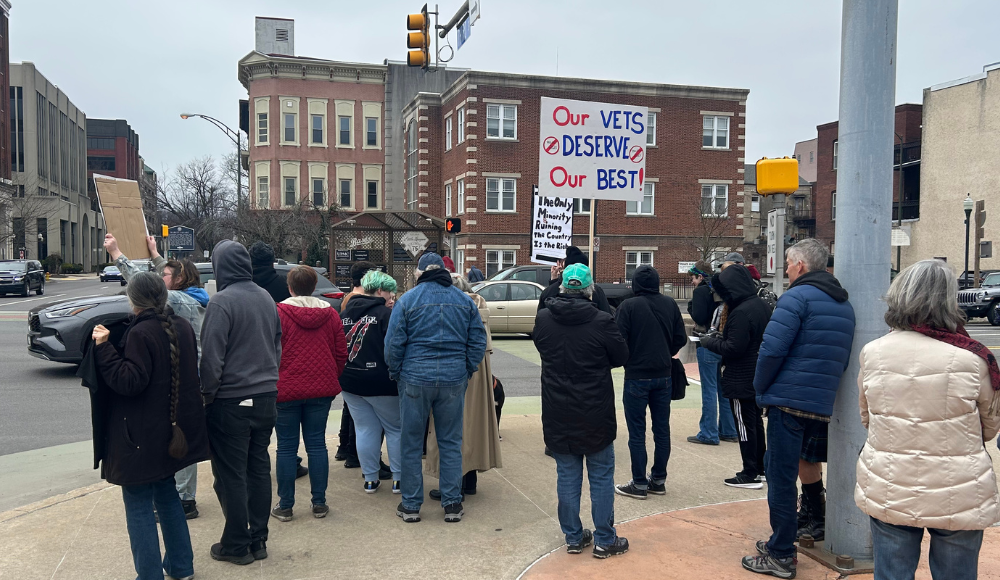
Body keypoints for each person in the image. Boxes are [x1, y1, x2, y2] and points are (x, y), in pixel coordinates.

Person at [856, 259, 1000, 580]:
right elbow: (988, 428)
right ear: (948, 301)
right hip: (959, 489)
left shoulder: (873, 352)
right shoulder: (974, 359)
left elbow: (868, 418)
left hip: (890, 482)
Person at [741, 239, 855, 578]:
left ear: (801, 266)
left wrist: (760, 388)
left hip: (786, 399)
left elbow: (772, 350)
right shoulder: (844, 305)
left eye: (789, 264)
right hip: (819, 400)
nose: (786, 270)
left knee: (779, 474)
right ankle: (795, 533)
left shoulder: (795, 298)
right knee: (802, 466)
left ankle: (781, 553)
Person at [91, 272, 210, 580]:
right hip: (171, 432)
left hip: (139, 437)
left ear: (134, 300)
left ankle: (149, 574)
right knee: (167, 493)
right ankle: (181, 566)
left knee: (139, 502)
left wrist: (104, 347)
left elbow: (129, 381)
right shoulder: (180, 326)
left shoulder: (140, 334)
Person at [104, 233, 208, 519]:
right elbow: (164, 281)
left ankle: (184, 498)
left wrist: (116, 254)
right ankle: (184, 496)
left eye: (165, 274)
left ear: (178, 280)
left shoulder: (179, 301)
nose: (161, 277)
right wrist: (155, 254)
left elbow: (142, 284)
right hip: (193, 376)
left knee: (177, 436)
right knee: (181, 433)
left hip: (181, 376)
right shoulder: (196, 297)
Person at [534, 264, 630, 559]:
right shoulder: (602, 320)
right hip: (594, 409)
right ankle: (604, 538)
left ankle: (573, 536)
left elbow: (542, 347)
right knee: (600, 475)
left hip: (556, 407)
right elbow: (621, 355)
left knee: (567, 474)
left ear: (563, 286)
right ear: (590, 290)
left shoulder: (544, 319)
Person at [386, 252, 487, 524]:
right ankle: (452, 503)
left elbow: (394, 344)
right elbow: (478, 341)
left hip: (415, 378)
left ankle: (410, 505)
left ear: (419, 273)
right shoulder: (464, 301)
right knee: (451, 442)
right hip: (453, 378)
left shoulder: (407, 301)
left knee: (410, 443)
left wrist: (397, 372)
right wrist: (466, 368)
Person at [200, 240, 282, 565]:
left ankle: (236, 544)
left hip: (231, 401)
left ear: (220, 267)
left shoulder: (221, 302)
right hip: (266, 397)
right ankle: (258, 539)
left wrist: (207, 396)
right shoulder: (266, 297)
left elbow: (211, 360)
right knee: (259, 468)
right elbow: (276, 345)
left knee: (231, 474)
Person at [270, 266, 347, 522]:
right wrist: (330, 374)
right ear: (314, 287)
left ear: (289, 287)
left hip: (286, 387)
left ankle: (286, 504)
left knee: (286, 447)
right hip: (321, 388)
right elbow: (341, 352)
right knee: (316, 444)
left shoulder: (279, 313)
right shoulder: (331, 315)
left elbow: (272, 351)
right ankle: (319, 502)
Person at [612, 265, 686, 500]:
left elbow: (618, 340)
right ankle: (659, 479)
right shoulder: (670, 304)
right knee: (661, 429)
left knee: (637, 432)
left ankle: (639, 483)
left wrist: (628, 360)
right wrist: (666, 352)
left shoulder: (628, 307)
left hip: (636, 375)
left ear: (635, 284)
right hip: (663, 375)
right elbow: (680, 338)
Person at [426, 274, 503, 499]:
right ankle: (469, 481)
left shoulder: (453, 307)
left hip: (455, 370)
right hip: (479, 373)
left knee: (450, 428)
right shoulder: (480, 305)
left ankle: (452, 485)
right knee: (473, 427)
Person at [699, 264, 771, 490]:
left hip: (740, 376)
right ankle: (760, 468)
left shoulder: (740, 312)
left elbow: (733, 348)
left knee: (744, 425)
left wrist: (709, 341)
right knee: (755, 423)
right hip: (756, 374)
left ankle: (750, 472)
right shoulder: (761, 305)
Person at [249, 241, 311, 479]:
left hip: (250, 357)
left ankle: (256, 463)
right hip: (281, 356)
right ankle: (291, 462)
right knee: (285, 423)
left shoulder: (245, 287)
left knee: (253, 419)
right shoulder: (282, 286)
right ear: (272, 260)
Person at [339, 270, 403, 494]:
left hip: (350, 381)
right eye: (389, 292)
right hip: (383, 382)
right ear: (378, 291)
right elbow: (394, 349)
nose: (391, 297)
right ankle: (399, 479)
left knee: (365, 429)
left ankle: (370, 479)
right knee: (395, 429)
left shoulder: (344, 314)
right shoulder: (386, 315)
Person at [686, 261, 738, 445]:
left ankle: (708, 433)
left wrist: (691, 307)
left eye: (693, 278)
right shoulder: (720, 289)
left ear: (700, 276)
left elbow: (699, 317)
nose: (692, 282)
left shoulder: (701, 291)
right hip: (723, 343)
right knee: (722, 389)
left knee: (708, 390)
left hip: (707, 344)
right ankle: (729, 430)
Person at [336, 261, 378, 470]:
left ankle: (345, 447)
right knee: (359, 417)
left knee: (349, 410)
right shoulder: (357, 300)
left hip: (349, 366)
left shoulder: (347, 299)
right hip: (359, 362)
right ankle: (352, 453)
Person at [537, 246, 611, 314]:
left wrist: (554, 281)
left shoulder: (548, 292)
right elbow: (608, 319)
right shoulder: (596, 291)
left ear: (565, 267)